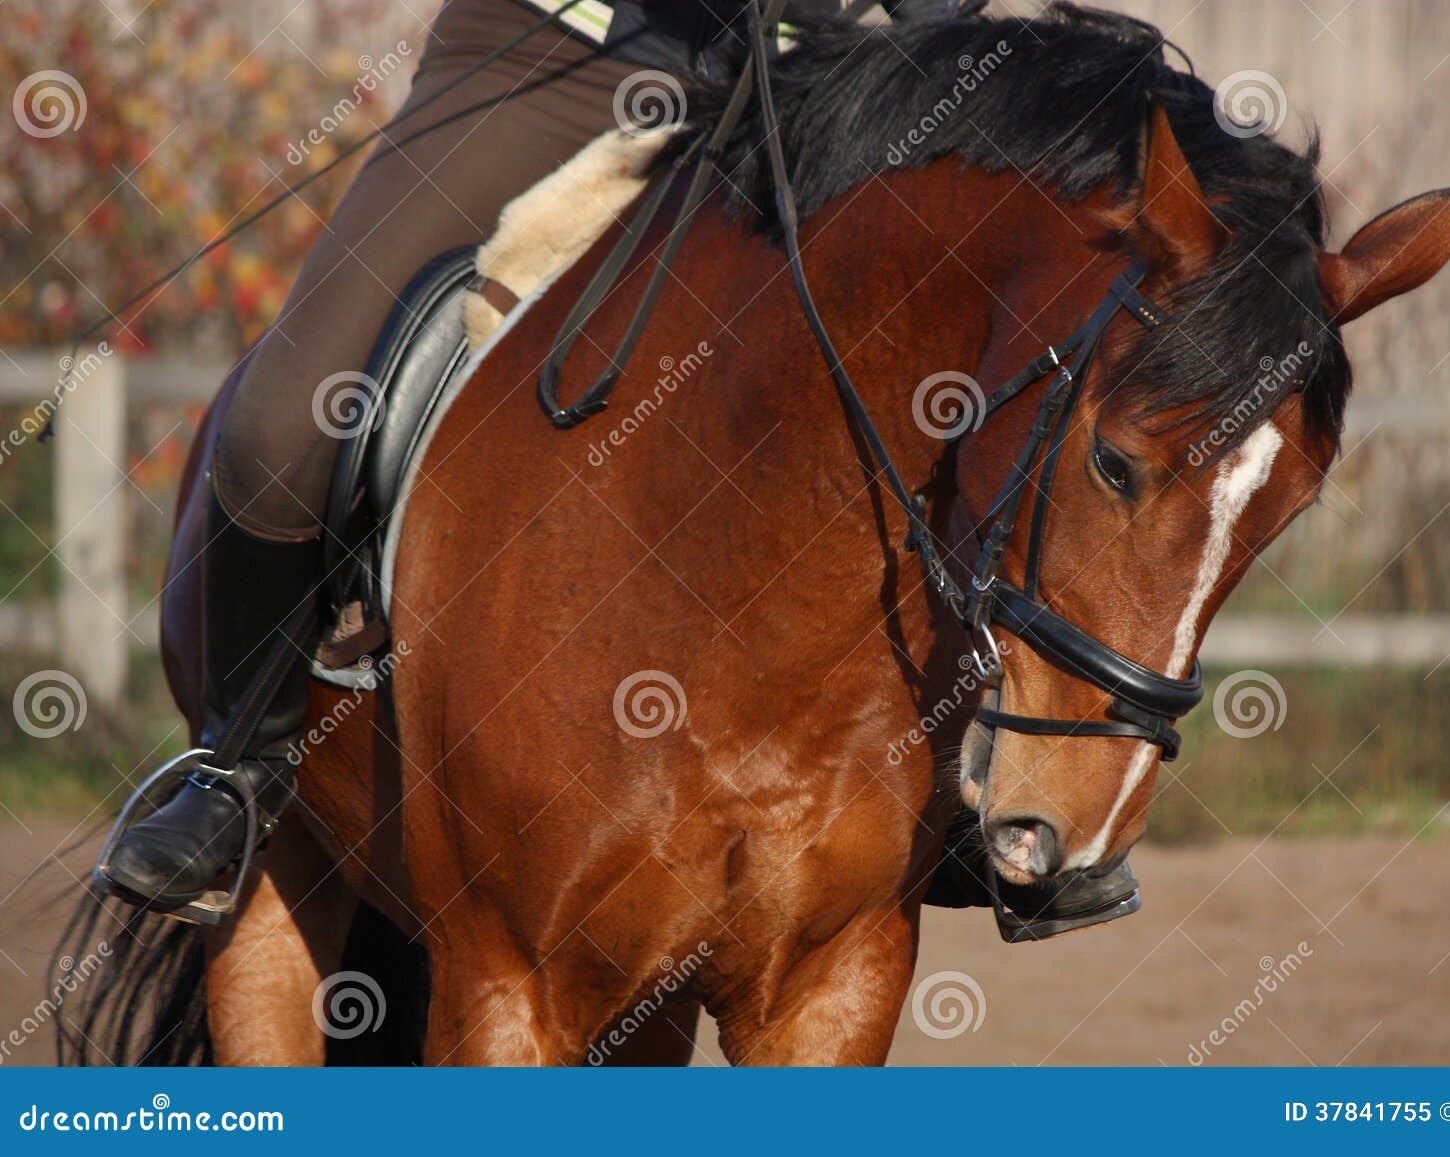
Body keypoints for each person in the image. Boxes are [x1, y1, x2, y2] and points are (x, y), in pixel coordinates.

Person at [99, 0, 963, 914]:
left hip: (815, 80)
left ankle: (969, 764)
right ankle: (240, 770)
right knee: (282, 427)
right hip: (564, 53)